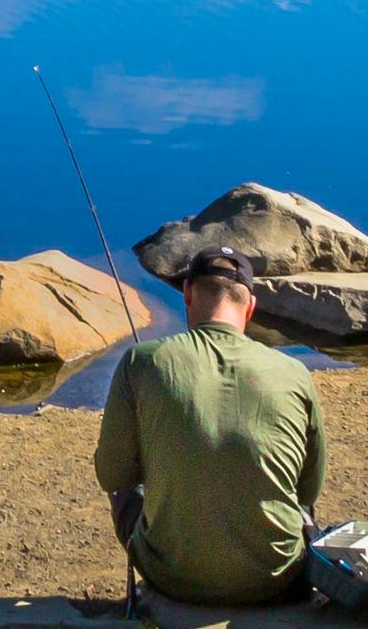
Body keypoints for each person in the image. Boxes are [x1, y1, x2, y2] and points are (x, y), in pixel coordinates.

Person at [92, 245, 326, 606]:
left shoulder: (141, 361)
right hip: (278, 578)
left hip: (172, 577)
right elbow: (308, 490)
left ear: (187, 293)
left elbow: (112, 476)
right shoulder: (295, 372)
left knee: (125, 491)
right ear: (250, 306)